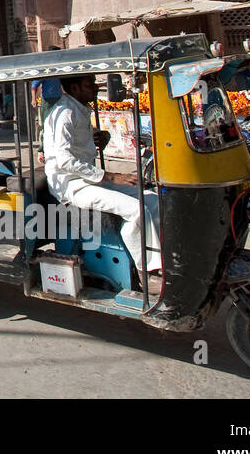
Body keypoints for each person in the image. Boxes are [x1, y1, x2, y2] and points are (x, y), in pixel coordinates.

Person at [43, 74, 162, 292]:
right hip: (73, 186)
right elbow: (64, 159)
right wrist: (111, 176)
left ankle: (158, 260)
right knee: (136, 210)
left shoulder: (79, 108)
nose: (96, 89)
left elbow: (78, 146)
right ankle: (146, 272)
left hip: (88, 180)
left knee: (152, 199)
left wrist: (97, 138)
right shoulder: (65, 113)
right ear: (76, 87)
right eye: (90, 85)